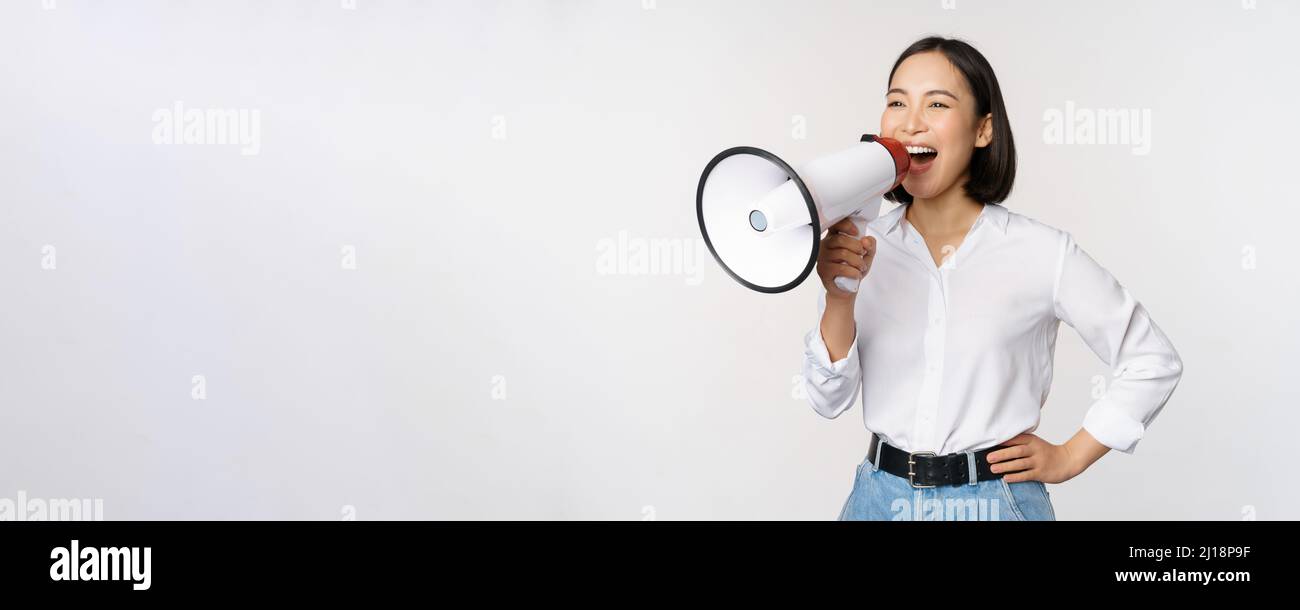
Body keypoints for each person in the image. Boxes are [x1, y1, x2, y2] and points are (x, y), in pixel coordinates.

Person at [803, 36, 1184, 521]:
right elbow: (827, 400)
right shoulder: (860, 244)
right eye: (896, 102)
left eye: (937, 103)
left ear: (983, 130)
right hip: (877, 501)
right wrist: (840, 297)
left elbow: (1152, 359)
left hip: (995, 505)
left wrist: (1071, 455)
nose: (910, 121)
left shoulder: (1041, 253)